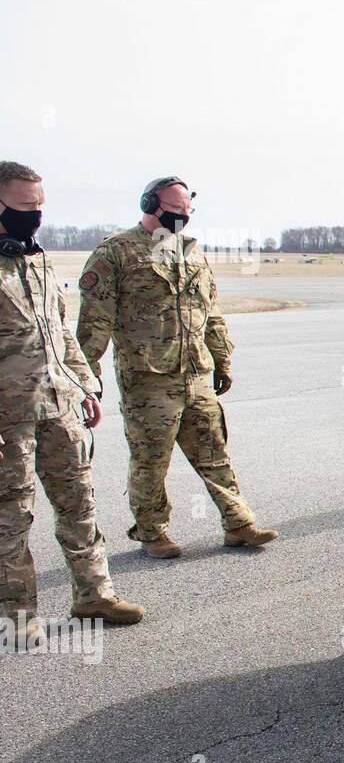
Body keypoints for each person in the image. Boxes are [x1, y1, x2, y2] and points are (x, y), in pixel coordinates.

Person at [76, 177, 277, 557]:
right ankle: (152, 531)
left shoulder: (193, 253)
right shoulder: (116, 252)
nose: (182, 218)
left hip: (196, 373)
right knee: (151, 459)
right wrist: (86, 380)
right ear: (151, 205)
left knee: (214, 452)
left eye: (187, 212)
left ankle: (239, 523)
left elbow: (210, 313)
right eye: (174, 211)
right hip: (148, 379)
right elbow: (94, 323)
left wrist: (222, 358)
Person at [0, 161, 143, 647]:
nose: (34, 215)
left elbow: (60, 330)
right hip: (8, 419)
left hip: (58, 407)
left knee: (79, 504)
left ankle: (93, 594)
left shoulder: (37, 259)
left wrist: (84, 385)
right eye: (24, 206)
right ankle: (17, 618)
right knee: (10, 517)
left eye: (40, 206)